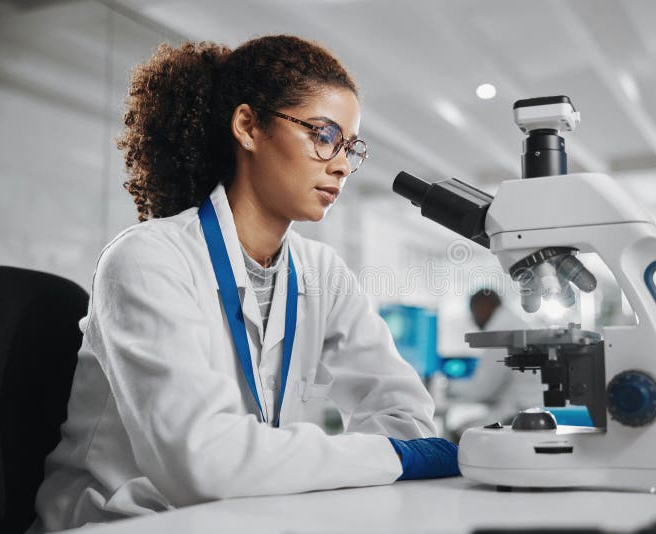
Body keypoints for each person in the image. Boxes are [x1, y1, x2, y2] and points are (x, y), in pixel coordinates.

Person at [32, 35, 458, 532]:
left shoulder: (323, 274)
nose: (341, 164)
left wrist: (371, 454)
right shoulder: (147, 259)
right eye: (323, 135)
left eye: (349, 146)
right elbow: (201, 461)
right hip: (119, 524)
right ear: (248, 126)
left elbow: (405, 419)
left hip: (244, 518)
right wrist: (392, 457)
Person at [448, 289, 545, 435]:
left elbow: (482, 390)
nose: (473, 319)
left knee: (460, 433)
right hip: (529, 409)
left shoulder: (501, 332)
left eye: (473, 312)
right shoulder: (512, 323)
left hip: (518, 414)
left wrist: (448, 387)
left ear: (484, 306)